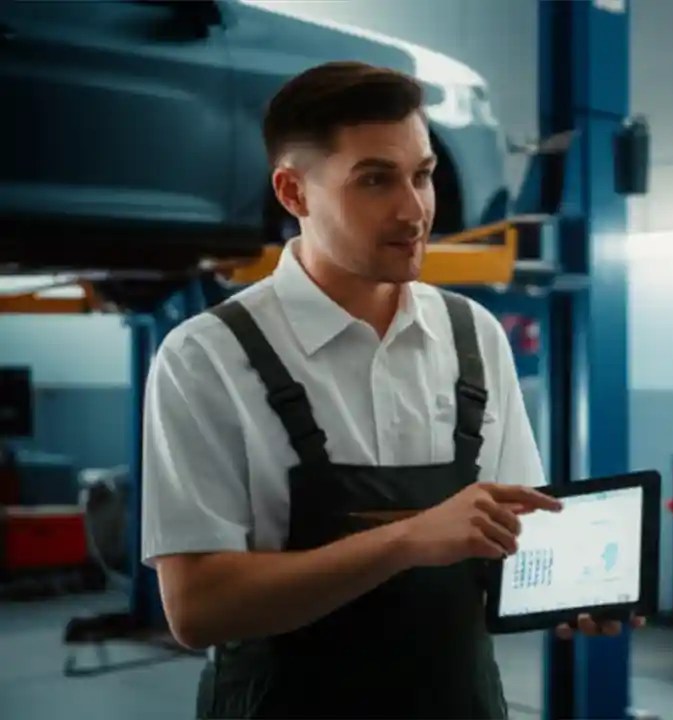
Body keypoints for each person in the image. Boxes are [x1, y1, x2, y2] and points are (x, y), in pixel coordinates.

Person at [140, 61, 633, 720]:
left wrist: (568, 589)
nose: (414, 209)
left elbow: (501, 544)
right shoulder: (208, 357)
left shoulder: (473, 336)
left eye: (423, 175)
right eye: (374, 180)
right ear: (293, 192)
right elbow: (197, 609)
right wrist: (406, 541)